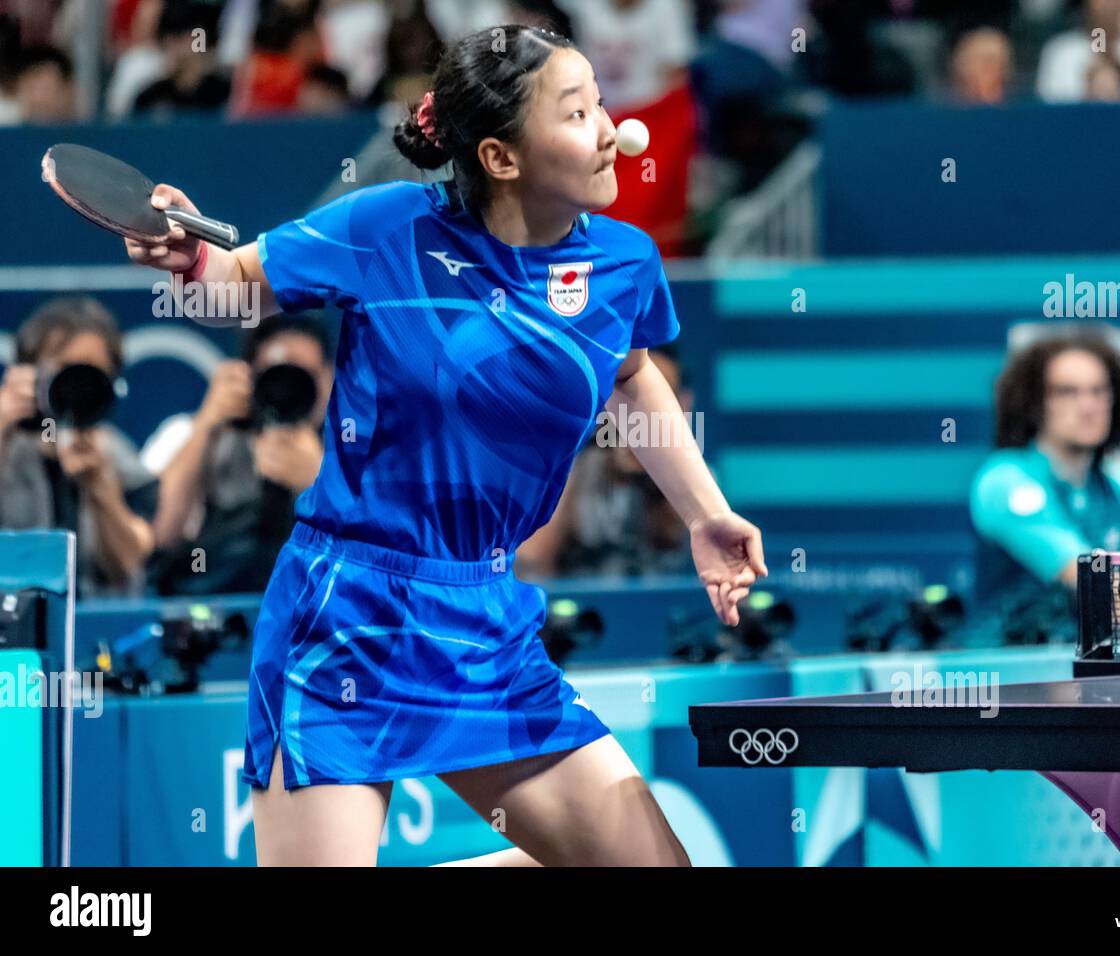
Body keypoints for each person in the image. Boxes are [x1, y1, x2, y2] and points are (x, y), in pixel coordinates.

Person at [122, 24, 765, 866]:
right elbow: (236, 287)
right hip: (346, 613)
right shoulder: (388, 229)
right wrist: (184, 261)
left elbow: (631, 376)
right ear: (501, 159)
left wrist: (704, 514)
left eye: (600, 102)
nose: (613, 128)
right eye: (577, 114)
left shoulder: (623, 264)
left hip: (486, 616)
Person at [970, 333, 1120, 612]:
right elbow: (1092, 582)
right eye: (1067, 391)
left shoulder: (1118, 486)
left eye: (1099, 391)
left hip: (1083, 655)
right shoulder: (1005, 482)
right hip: (1004, 652)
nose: (1088, 406)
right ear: (1034, 403)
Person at [145, 316, 333, 595]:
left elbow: (376, 553)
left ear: (329, 379)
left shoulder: (354, 454)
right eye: (277, 375)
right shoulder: (191, 432)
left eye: (304, 375)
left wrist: (317, 482)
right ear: (251, 377)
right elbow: (161, 536)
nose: (289, 388)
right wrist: (207, 424)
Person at [0, 298, 158, 596]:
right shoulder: (9, 445)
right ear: (30, 371)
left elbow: (134, 561)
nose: (77, 386)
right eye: (66, 369)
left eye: (91, 373)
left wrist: (99, 485)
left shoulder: (116, 453)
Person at [515, 345, 694, 578]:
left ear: (682, 404)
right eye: (630, 398)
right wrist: (577, 455)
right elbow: (532, 558)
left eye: (659, 402)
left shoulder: (696, 477)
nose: (641, 415)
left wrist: (654, 475)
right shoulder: (584, 463)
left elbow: (672, 536)